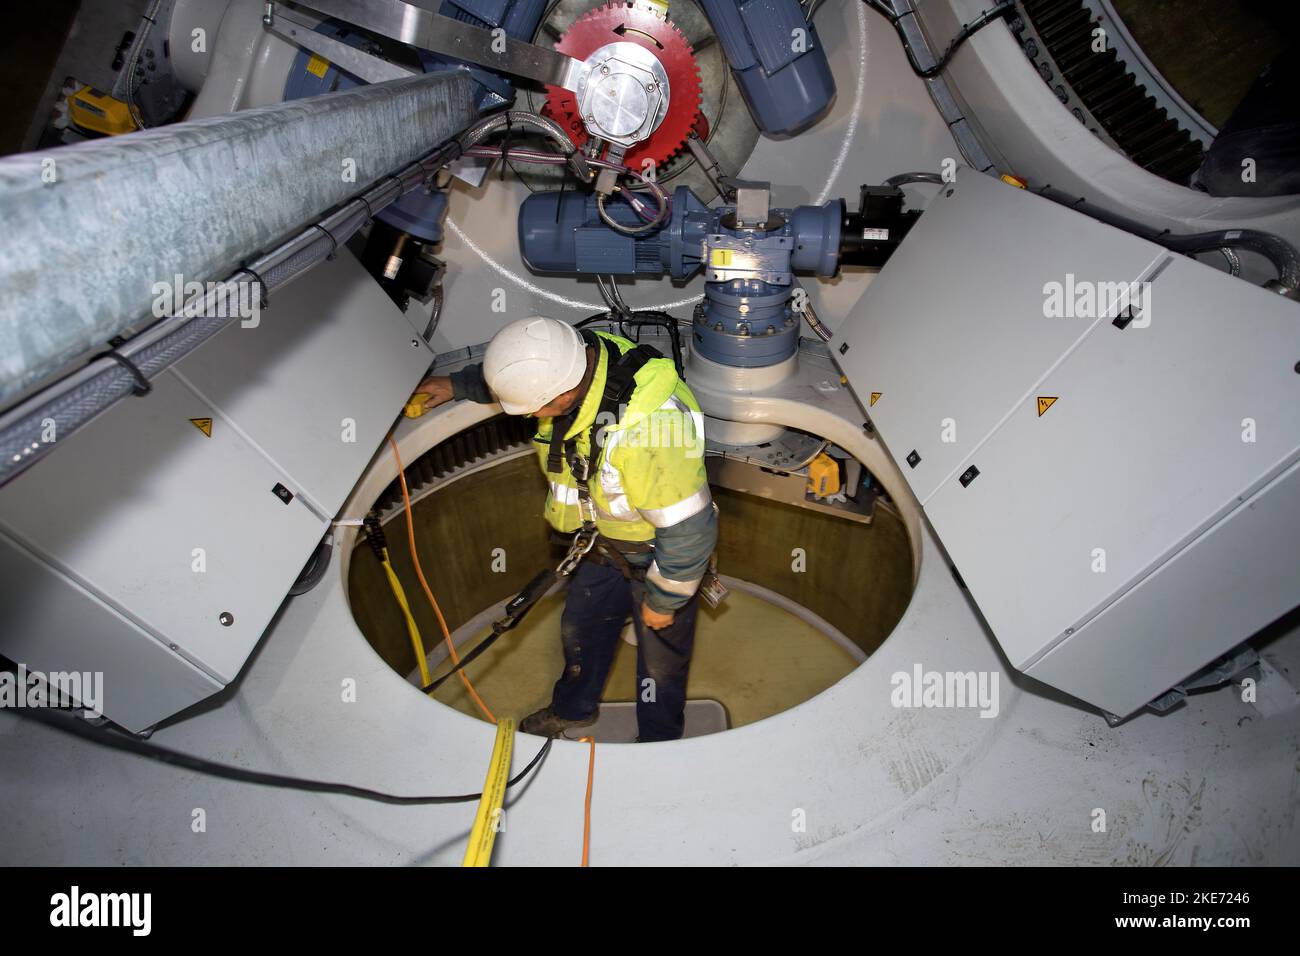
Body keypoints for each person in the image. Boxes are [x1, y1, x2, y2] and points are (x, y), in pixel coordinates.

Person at [410, 315, 717, 742]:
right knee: (581, 630)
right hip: (600, 547)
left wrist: (665, 601)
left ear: (568, 392)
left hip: (657, 555)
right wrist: (458, 385)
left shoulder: (652, 432)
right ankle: (573, 708)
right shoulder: (575, 359)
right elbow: (520, 377)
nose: (532, 416)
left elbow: (689, 533)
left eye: (538, 407)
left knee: (660, 661)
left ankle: (659, 741)